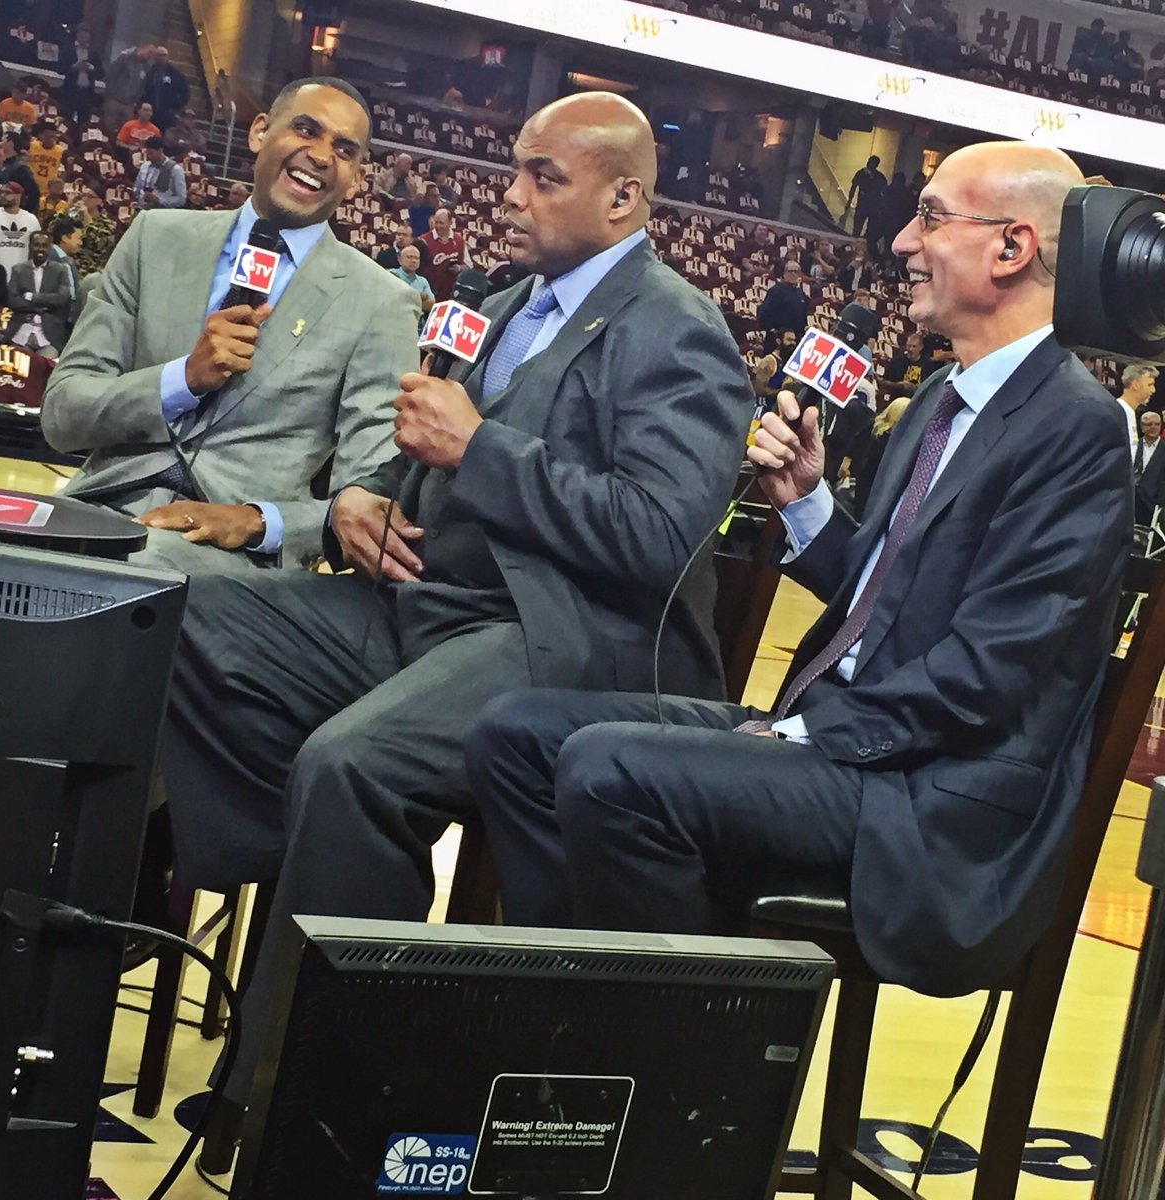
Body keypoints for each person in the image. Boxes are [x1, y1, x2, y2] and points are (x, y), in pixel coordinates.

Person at [159, 90, 754, 1114]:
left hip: (562, 638)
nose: (510, 195)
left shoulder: (677, 329)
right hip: (427, 607)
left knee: (353, 764)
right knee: (182, 611)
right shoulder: (509, 301)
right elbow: (426, 452)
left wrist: (479, 446)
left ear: (623, 199)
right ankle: (304, 861)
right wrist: (363, 501)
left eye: (542, 178)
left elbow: (658, 532)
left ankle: (313, 1095)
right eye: (516, 170)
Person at [464, 140, 1133, 1002]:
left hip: (924, 797)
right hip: (851, 744)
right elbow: (889, 601)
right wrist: (808, 503)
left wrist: (800, 737)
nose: (902, 242)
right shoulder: (941, 398)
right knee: (516, 733)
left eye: (929, 217)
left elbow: (988, 673)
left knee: (610, 769)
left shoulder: (1075, 426)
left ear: (1011, 247)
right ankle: (570, 1012)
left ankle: (681, 1052)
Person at [42, 77, 418, 576]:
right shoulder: (155, 238)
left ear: (356, 178)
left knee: (137, 576)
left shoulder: (382, 301)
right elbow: (62, 416)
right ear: (260, 131)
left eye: (344, 150)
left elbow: (371, 494)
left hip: (233, 562)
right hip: (96, 512)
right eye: (306, 130)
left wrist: (259, 522)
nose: (321, 155)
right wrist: (183, 380)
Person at [7, 229, 71, 356]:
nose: (40, 249)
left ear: (50, 247)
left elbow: (62, 298)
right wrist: (43, 306)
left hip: (49, 337)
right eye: (36, 245)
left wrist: (32, 297)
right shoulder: (18, 270)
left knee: (47, 364)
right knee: (19, 365)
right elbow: (12, 300)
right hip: (20, 334)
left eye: (44, 245)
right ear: (30, 247)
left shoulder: (61, 270)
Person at [0, 181, 39, 274]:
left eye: (8, 193)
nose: (2, 195)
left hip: (20, 274)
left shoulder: (31, 219)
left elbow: (35, 248)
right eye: (2, 192)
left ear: (19, 196)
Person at [420, 205, 472, 300]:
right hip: (429, 291)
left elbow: (468, 265)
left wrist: (459, 268)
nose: (438, 226)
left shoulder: (459, 240)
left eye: (441, 223)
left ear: (450, 223)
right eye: (436, 222)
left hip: (450, 292)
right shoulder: (424, 240)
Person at [104, 44, 154, 134]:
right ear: (142, 48)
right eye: (150, 52)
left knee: (125, 130)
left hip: (130, 104)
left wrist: (136, 101)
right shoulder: (125, 57)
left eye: (152, 55)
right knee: (108, 128)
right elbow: (110, 74)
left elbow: (142, 86)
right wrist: (110, 94)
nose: (150, 56)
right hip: (114, 99)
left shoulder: (146, 67)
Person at [67, 185, 117, 276]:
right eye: (83, 195)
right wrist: (68, 208)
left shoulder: (108, 224)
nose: (85, 199)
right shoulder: (74, 218)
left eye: (89, 196)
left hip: (91, 271)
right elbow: (54, 231)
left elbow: (100, 245)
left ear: (99, 201)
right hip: (70, 268)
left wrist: (88, 222)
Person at [59, 24, 101, 131]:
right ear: (77, 36)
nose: (84, 40)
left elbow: (101, 73)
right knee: (66, 120)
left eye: (86, 37)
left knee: (84, 123)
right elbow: (59, 69)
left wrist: (91, 68)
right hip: (70, 91)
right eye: (82, 37)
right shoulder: (68, 50)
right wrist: (75, 67)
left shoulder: (94, 53)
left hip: (86, 93)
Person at [756, 259, 808, 337]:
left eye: (796, 271)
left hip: (796, 336)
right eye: (790, 271)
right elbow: (764, 314)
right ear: (784, 274)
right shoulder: (775, 291)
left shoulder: (800, 293)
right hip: (778, 336)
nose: (793, 274)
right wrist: (773, 331)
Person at [143, 46, 190, 132]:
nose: (161, 58)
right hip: (151, 113)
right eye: (158, 55)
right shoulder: (150, 71)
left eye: (163, 55)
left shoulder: (175, 73)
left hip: (167, 115)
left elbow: (185, 93)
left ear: (167, 57)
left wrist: (175, 107)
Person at [132, 136, 186, 209]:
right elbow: (137, 189)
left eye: (151, 153)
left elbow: (181, 199)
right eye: (147, 153)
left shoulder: (175, 170)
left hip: (162, 211)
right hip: (142, 208)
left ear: (160, 150)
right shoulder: (145, 166)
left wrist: (159, 201)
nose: (148, 157)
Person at [1116, 364, 1158, 457]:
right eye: (1150, 384)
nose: (1153, 390)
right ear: (1135, 385)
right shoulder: (1116, 412)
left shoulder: (1128, 412)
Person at [1133, 408, 1165, 527]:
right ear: (1142, 427)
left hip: (1153, 506)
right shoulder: (1133, 445)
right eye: (1149, 424)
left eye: (1157, 424)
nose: (1153, 427)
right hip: (1131, 502)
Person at [389, 241, 433, 322]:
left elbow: (430, 305)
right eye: (409, 257)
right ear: (400, 260)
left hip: (417, 322)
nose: (413, 260)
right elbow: (393, 301)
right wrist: (419, 297)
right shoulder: (391, 274)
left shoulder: (423, 281)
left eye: (416, 258)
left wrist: (408, 299)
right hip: (394, 319)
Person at [845, 154, 885, 239]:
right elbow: (853, 187)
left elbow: (882, 191)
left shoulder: (877, 177)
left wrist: (849, 201)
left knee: (868, 228)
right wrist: (849, 201)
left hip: (872, 205)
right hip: (865, 205)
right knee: (858, 227)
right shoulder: (862, 173)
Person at [28, 122, 65, 194]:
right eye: (47, 136)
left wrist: (59, 183)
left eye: (52, 137)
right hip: (31, 187)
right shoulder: (31, 146)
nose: (50, 139)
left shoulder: (60, 151)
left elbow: (68, 169)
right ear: (40, 135)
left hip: (48, 191)